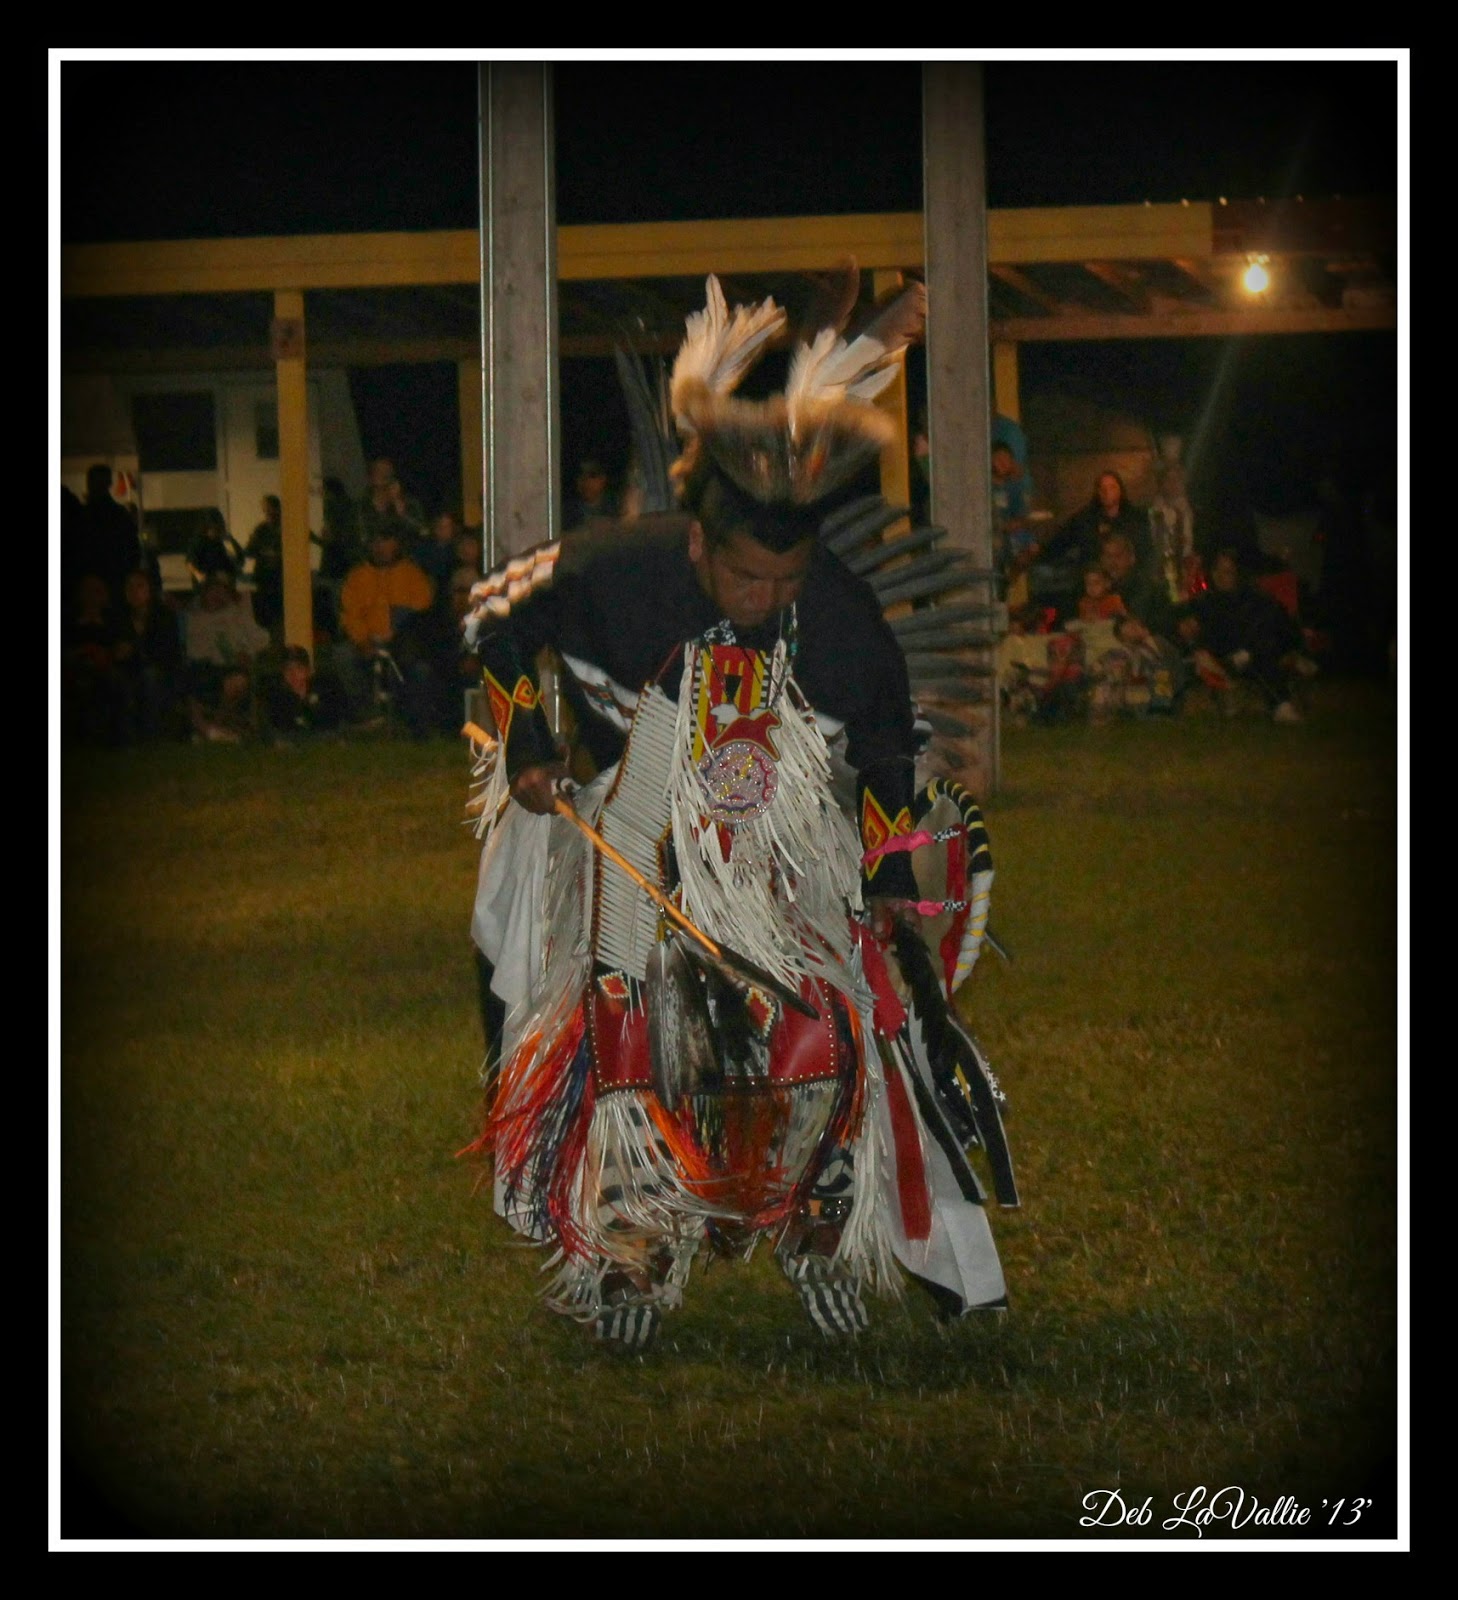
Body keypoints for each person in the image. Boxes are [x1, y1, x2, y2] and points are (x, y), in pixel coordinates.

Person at [462, 275, 1012, 1349]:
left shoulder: (837, 614)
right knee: (612, 1019)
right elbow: (491, 614)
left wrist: (896, 878)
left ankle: (821, 1228)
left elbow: (890, 745)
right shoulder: (608, 571)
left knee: (826, 1024)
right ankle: (625, 1249)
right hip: (623, 819)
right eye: (748, 576)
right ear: (698, 547)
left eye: (787, 578)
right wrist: (525, 733)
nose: (767, 599)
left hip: (778, 845)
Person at [1177, 546, 1307, 723]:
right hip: (1227, 655)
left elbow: (1279, 620)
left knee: (1266, 638)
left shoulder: (1252, 596)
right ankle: (1281, 705)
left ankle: (1278, 699)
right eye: (1219, 571)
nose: (1222, 577)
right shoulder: (1205, 601)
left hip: (1253, 650)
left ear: (1236, 573)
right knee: (1264, 647)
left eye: (1228, 572)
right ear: (1213, 573)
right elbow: (1199, 633)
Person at [333, 515, 437, 730]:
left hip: (402, 643)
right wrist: (363, 640)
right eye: (376, 541)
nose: (381, 547)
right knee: (343, 655)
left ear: (396, 543)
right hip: (366, 642)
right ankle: (366, 715)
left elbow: (421, 613)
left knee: (420, 669)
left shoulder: (412, 575)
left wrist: (396, 635)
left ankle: (412, 722)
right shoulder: (357, 577)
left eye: (386, 540)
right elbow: (349, 615)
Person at [1025, 470, 1151, 621]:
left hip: (1128, 584)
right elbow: (1061, 541)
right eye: (1102, 489)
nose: (1107, 492)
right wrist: (1039, 551)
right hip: (1091, 585)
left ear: (1120, 490)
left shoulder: (1136, 518)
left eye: (1112, 487)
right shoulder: (1086, 519)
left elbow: (1146, 551)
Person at [182, 568, 270, 742]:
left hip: (230, 667)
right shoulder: (194, 617)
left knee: (237, 682)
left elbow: (261, 639)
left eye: (221, 590)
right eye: (212, 590)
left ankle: (212, 728)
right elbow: (193, 649)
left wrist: (248, 653)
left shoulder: (236, 614)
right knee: (186, 682)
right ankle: (206, 728)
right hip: (202, 668)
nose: (216, 595)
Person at [112, 566, 184, 742]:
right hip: (130, 669)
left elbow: (167, 651)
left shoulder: (163, 616)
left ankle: (150, 735)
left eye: (139, 586)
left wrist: (136, 648)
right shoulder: (121, 618)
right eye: (130, 587)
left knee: (149, 678)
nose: (134, 591)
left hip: (161, 670)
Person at [261, 644, 348, 742]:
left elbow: (333, 721)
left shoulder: (324, 689)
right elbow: (278, 727)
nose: (293, 674)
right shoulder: (277, 696)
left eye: (299, 669)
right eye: (288, 669)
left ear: (308, 671)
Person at [357, 457, 427, 551]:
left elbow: (422, 532)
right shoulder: (361, 506)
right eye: (378, 471)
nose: (384, 475)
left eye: (387, 471)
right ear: (370, 477)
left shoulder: (410, 503)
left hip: (403, 560)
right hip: (370, 561)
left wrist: (401, 511)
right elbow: (358, 538)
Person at [246, 494, 285, 638]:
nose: (268, 513)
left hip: (281, 579)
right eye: (265, 510)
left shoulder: (287, 528)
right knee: (264, 616)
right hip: (263, 578)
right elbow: (249, 551)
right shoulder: (261, 529)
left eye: (270, 509)